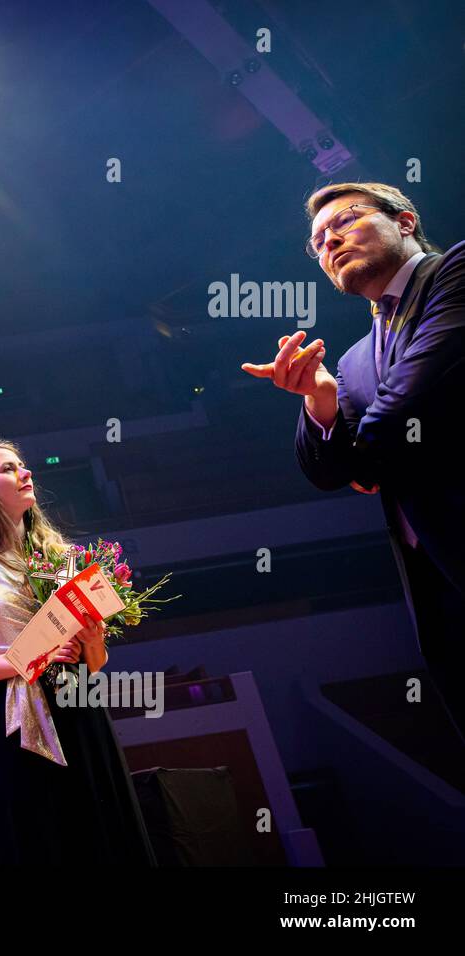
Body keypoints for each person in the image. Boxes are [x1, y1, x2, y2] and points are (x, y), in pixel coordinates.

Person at [241, 182, 465, 739]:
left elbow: (403, 408)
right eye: (317, 241)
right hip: (436, 583)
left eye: (345, 221)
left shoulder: (455, 273)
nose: (329, 241)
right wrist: (319, 401)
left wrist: (365, 462)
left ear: (405, 221)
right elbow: (325, 472)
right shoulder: (354, 360)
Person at [0, 440, 155, 866]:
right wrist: (29, 658)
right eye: (10, 469)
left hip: (80, 704)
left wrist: (91, 638)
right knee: (41, 834)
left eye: (25, 466)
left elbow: (97, 662)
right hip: (16, 715)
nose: (26, 473)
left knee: (103, 830)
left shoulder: (63, 556)